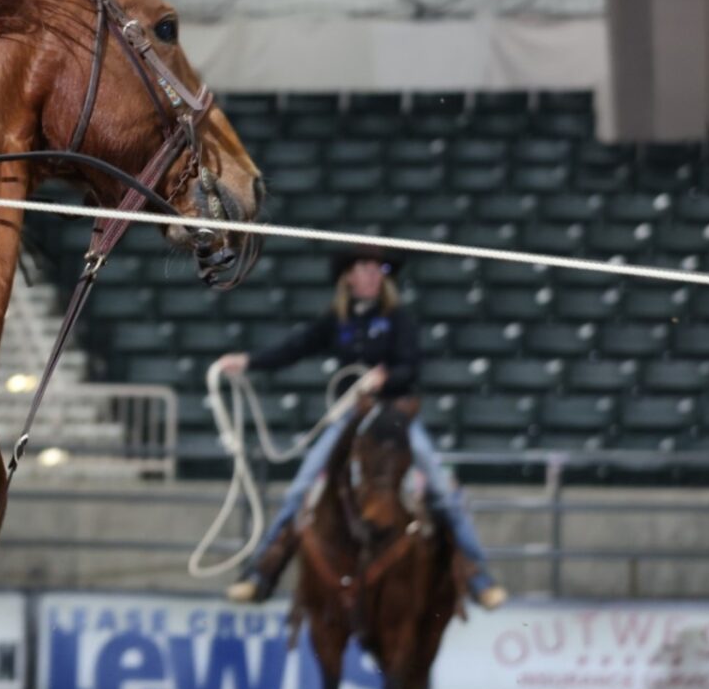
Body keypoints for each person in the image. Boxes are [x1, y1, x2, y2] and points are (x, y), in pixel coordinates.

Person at [218, 245, 508, 610]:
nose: (372, 276)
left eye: (376, 270)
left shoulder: (398, 318)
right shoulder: (337, 320)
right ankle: (260, 574)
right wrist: (248, 362)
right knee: (301, 489)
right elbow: (295, 348)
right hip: (349, 417)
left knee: (441, 488)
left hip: (394, 415)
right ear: (349, 277)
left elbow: (411, 367)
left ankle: (480, 578)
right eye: (364, 269)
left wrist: (384, 377)